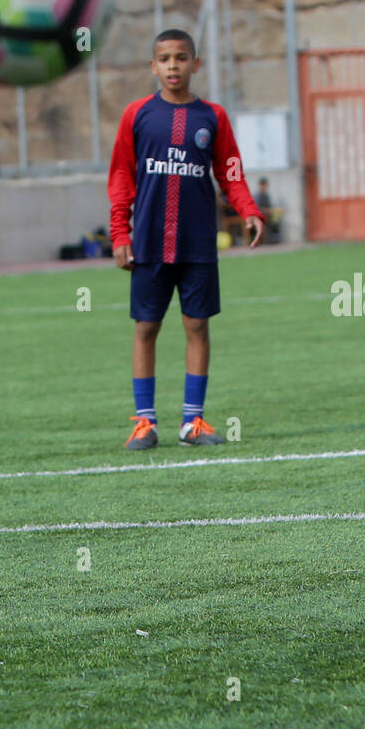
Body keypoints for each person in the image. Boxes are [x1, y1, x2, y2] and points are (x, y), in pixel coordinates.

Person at [108, 28, 264, 450]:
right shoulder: (137, 115)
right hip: (150, 243)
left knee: (196, 324)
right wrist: (120, 231)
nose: (173, 66)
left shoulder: (213, 117)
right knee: (146, 326)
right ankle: (144, 422)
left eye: (181, 58)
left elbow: (230, 171)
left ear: (195, 64)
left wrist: (248, 210)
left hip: (197, 242)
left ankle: (192, 422)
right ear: (153, 66)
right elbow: (122, 176)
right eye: (165, 59)